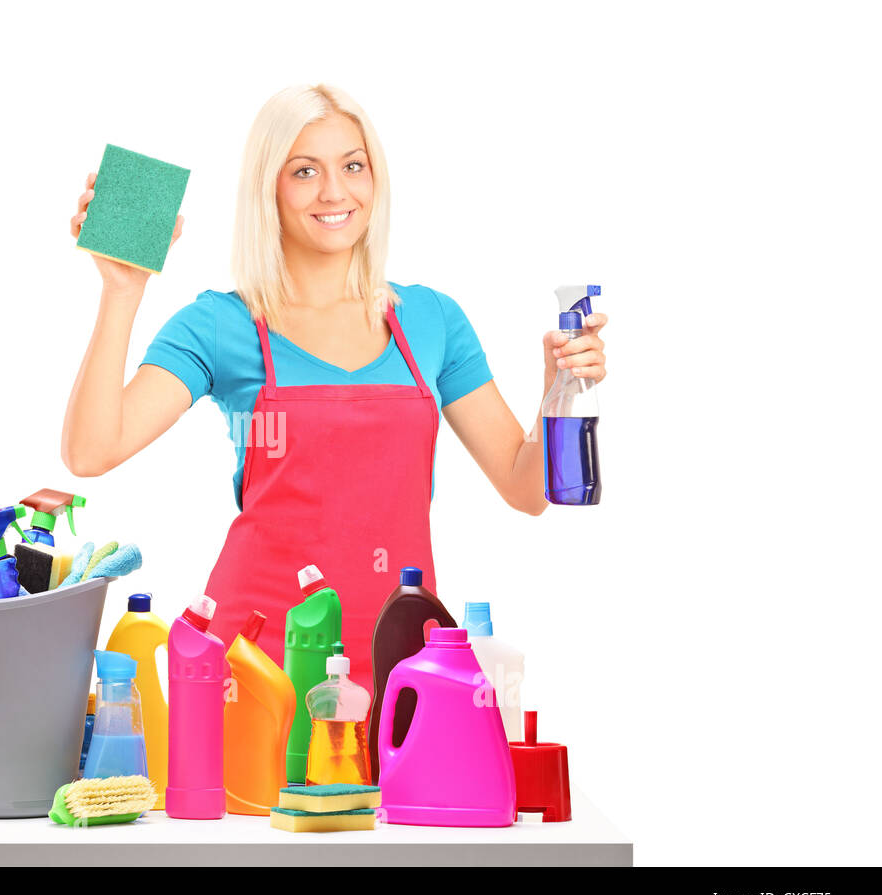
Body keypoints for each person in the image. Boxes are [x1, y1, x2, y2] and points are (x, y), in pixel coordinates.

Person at [62, 84, 608, 692]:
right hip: (255, 664)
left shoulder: (432, 321)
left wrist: (557, 387)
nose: (334, 192)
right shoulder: (222, 324)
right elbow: (91, 451)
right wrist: (122, 290)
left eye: (353, 166)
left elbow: (525, 487)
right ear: (268, 187)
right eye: (304, 171)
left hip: (400, 655)